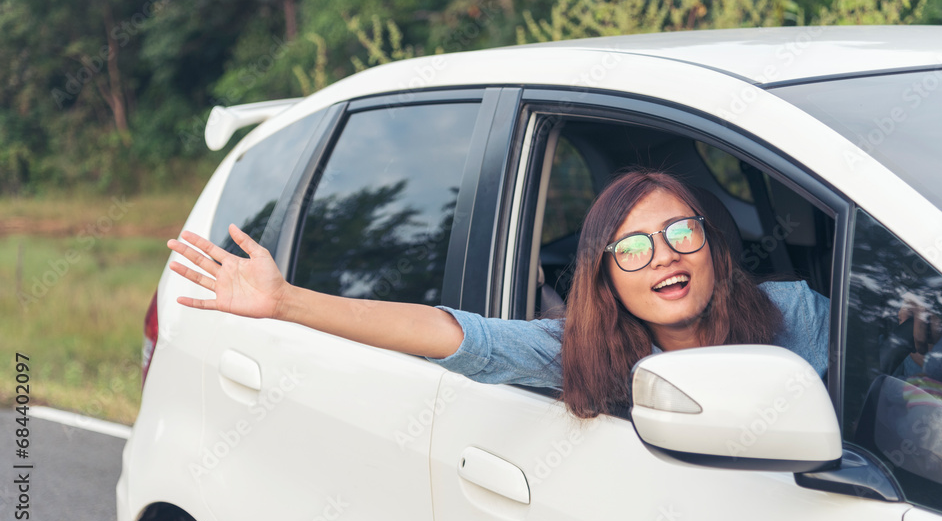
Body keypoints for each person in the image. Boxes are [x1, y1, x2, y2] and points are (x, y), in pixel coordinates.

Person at [167, 169, 830, 419]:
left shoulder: (799, 314)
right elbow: (461, 337)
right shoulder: (582, 352)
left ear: (714, 245)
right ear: (604, 277)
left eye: (681, 232)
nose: (663, 258)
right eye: (631, 248)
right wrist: (287, 302)